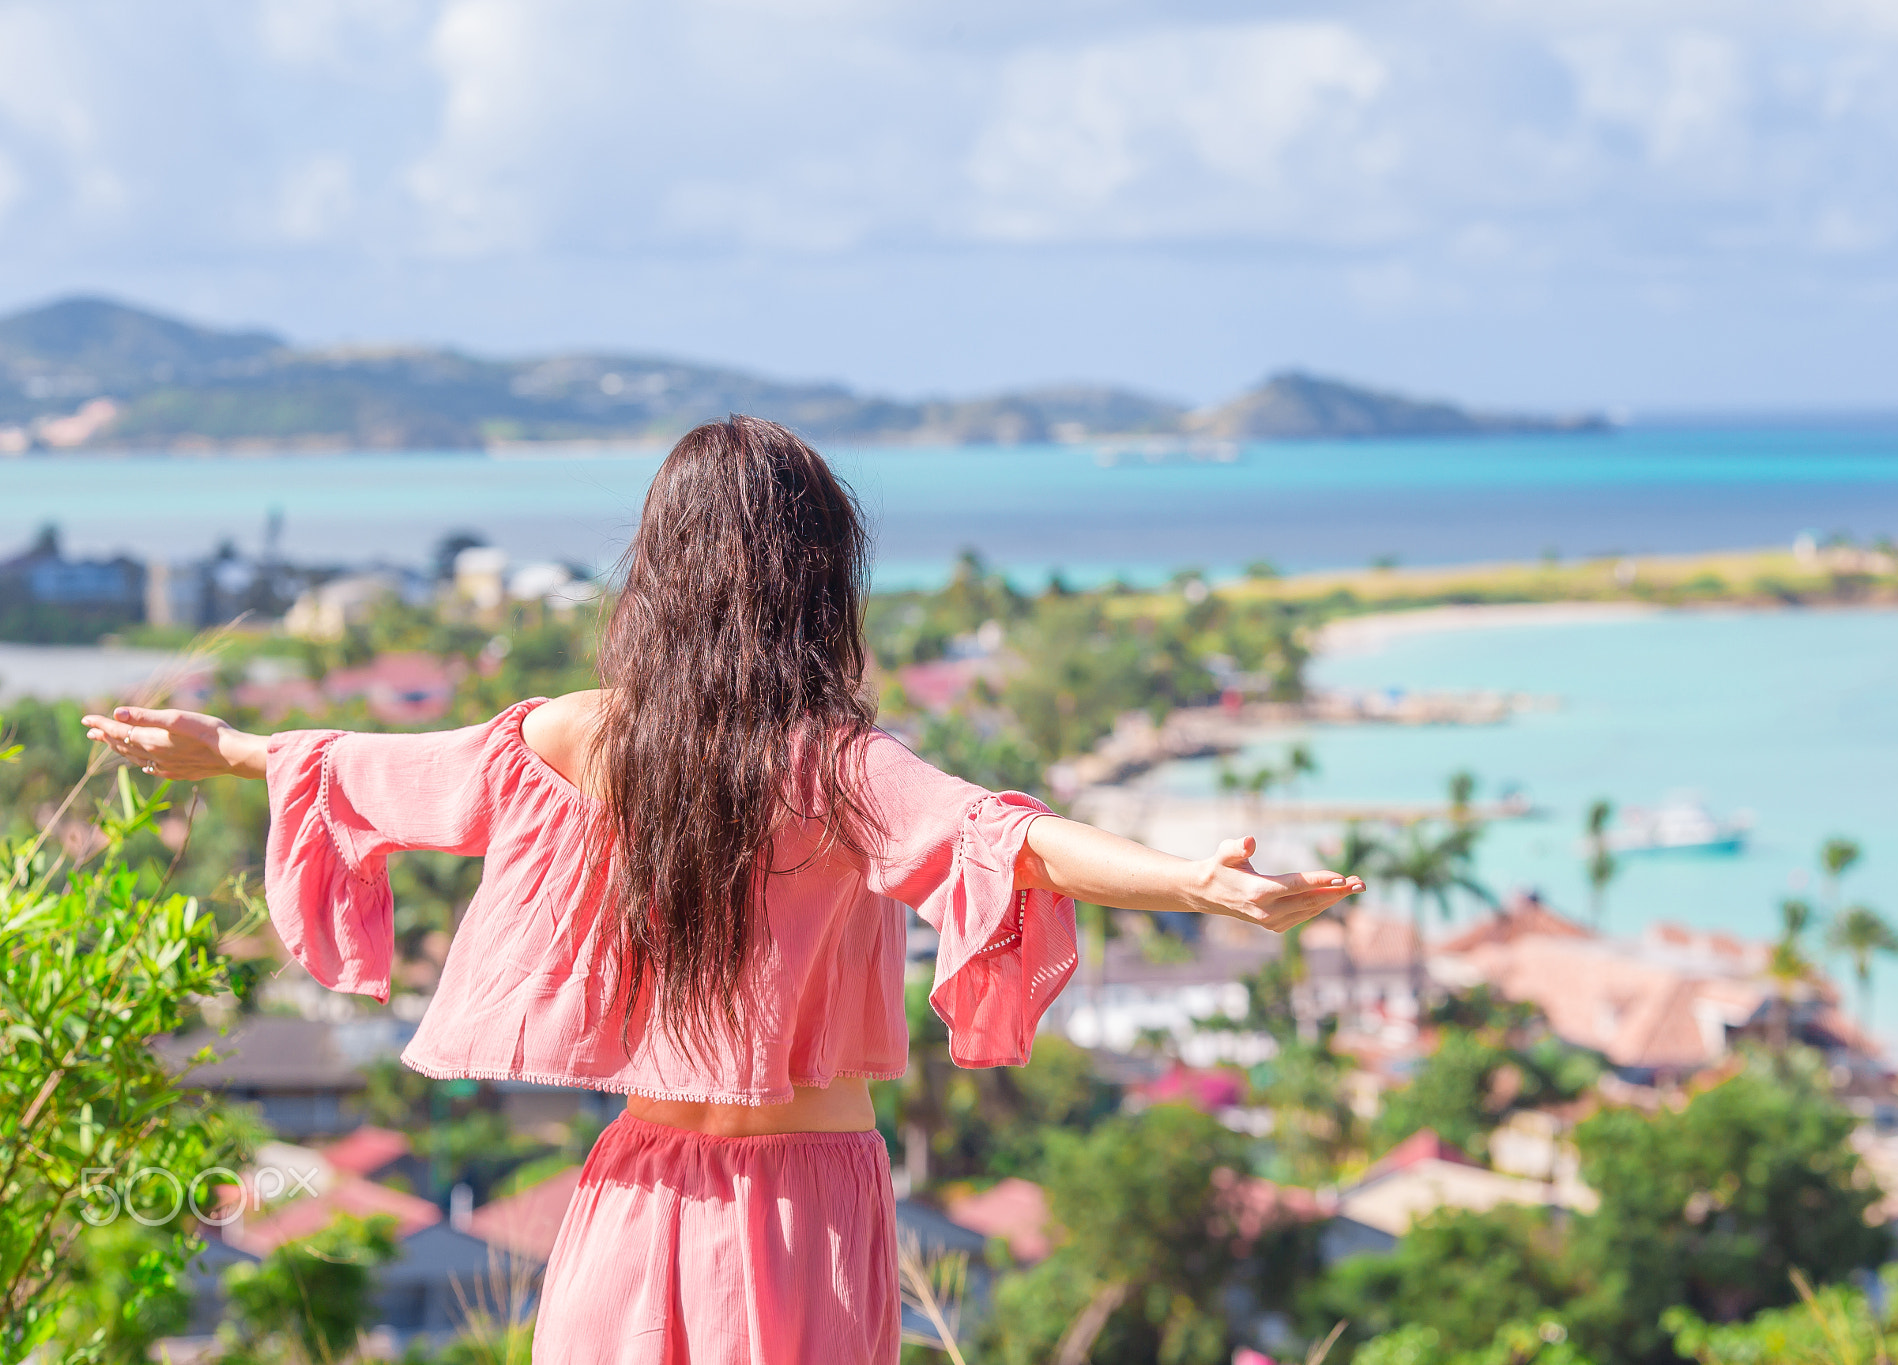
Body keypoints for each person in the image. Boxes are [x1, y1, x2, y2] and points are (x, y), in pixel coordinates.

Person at [84, 416, 1361, 1365]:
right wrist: (1196, 888)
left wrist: (232, 751)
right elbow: (1007, 841)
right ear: (817, 579)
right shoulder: (842, 768)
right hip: (807, 1203)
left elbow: (372, 774)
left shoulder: (576, 738)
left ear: (666, 569)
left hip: (636, 1195)